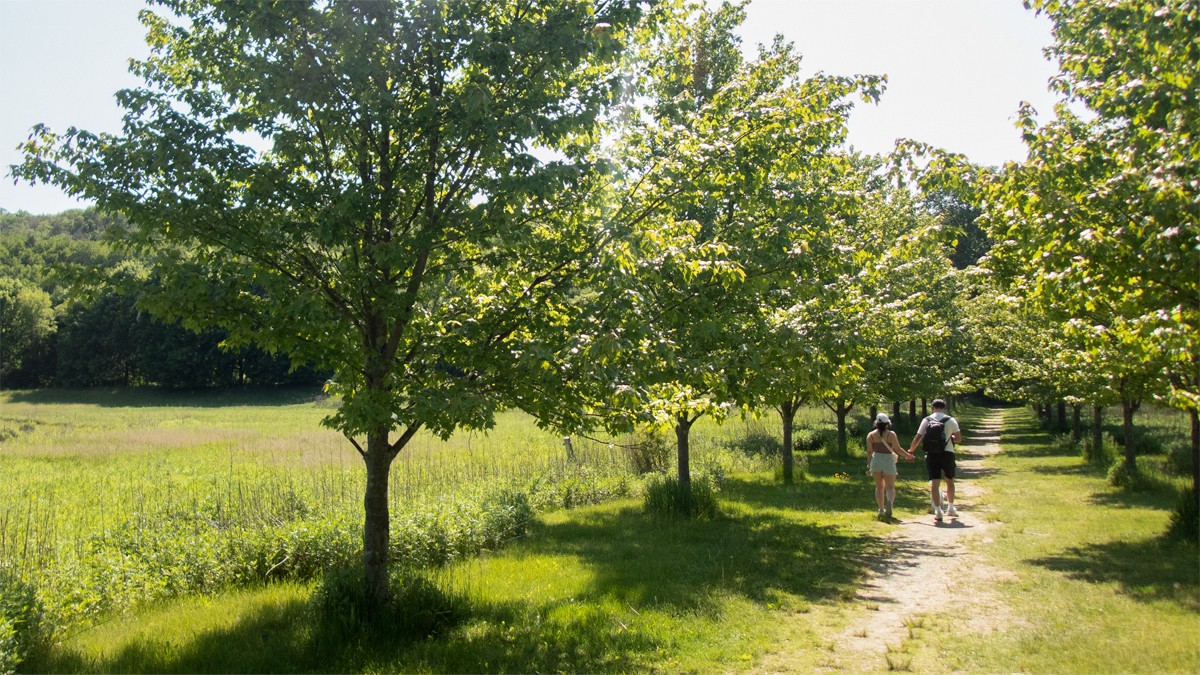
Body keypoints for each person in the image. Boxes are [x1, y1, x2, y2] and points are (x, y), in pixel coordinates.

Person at [907, 398, 962, 522]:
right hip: (948, 453)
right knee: (949, 480)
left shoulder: (927, 420)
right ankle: (950, 507)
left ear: (932, 407)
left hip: (932, 454)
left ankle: (938, 511)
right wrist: (950, 436)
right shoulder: (951, 420)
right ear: (944, 407)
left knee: (935, 483)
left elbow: (918, 437)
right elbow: (959, 439)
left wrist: (910, 451)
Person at [866, 412, 915, 520]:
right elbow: (898, 449)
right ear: (887, 423)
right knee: (890, 487)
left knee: (879, 487)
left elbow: (869, 451)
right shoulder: (891, 434)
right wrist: (908, 456)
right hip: (888, 460)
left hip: (876, 460)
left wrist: (869, 465)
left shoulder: (871, 435)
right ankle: (889, 503)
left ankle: (881, 510)